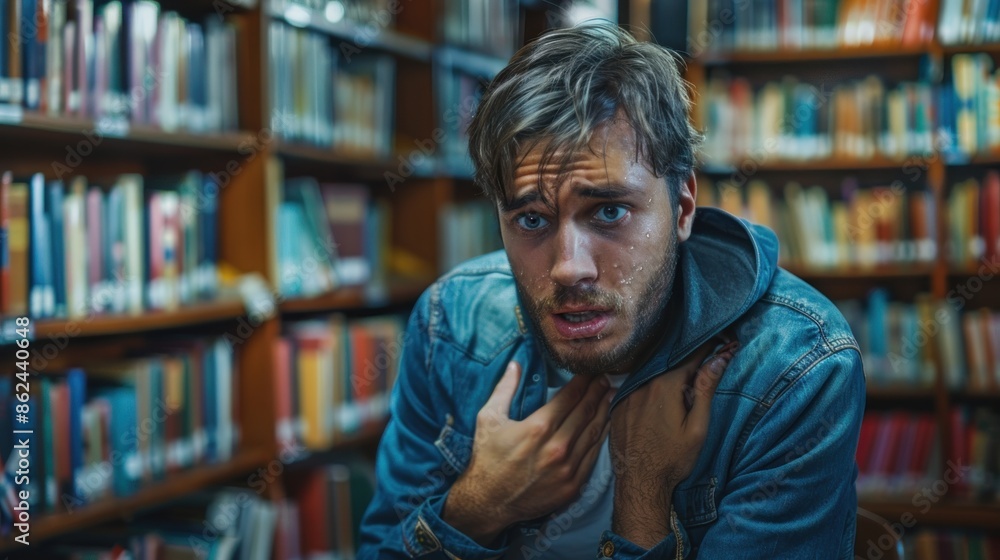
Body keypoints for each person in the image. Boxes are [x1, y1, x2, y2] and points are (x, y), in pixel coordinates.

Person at [358, 22, 865, 559]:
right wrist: (482, 504)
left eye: (608, 211)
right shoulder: (452, 323)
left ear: (683, 207)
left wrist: (643, 497)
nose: (568, 269)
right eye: (531, 220)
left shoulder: (795, 366)